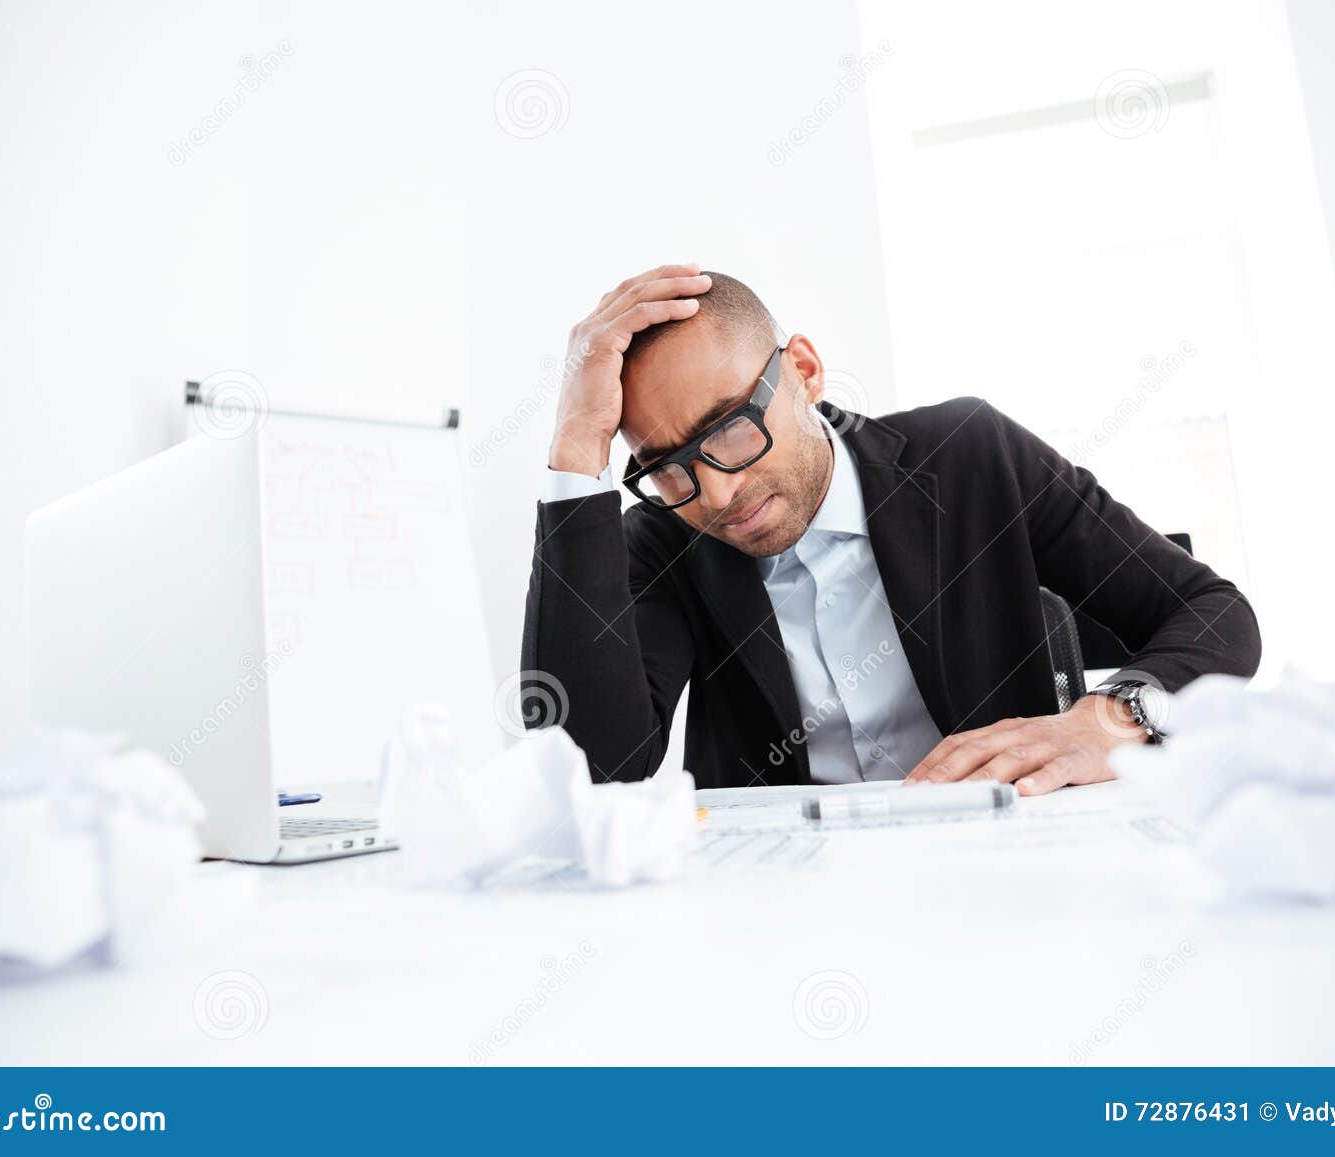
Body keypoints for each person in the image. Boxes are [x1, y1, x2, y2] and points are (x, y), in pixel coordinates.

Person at [519, 263, 1261, 793]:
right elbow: (592, 771)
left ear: (804, 370)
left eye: (733, 428)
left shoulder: (970, 455)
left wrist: (1108, 720)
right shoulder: (666, 532)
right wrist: (575, 452)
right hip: (783, 919)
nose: (715, 491)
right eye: (668, 466)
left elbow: (1216, 613)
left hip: (1013, 878)